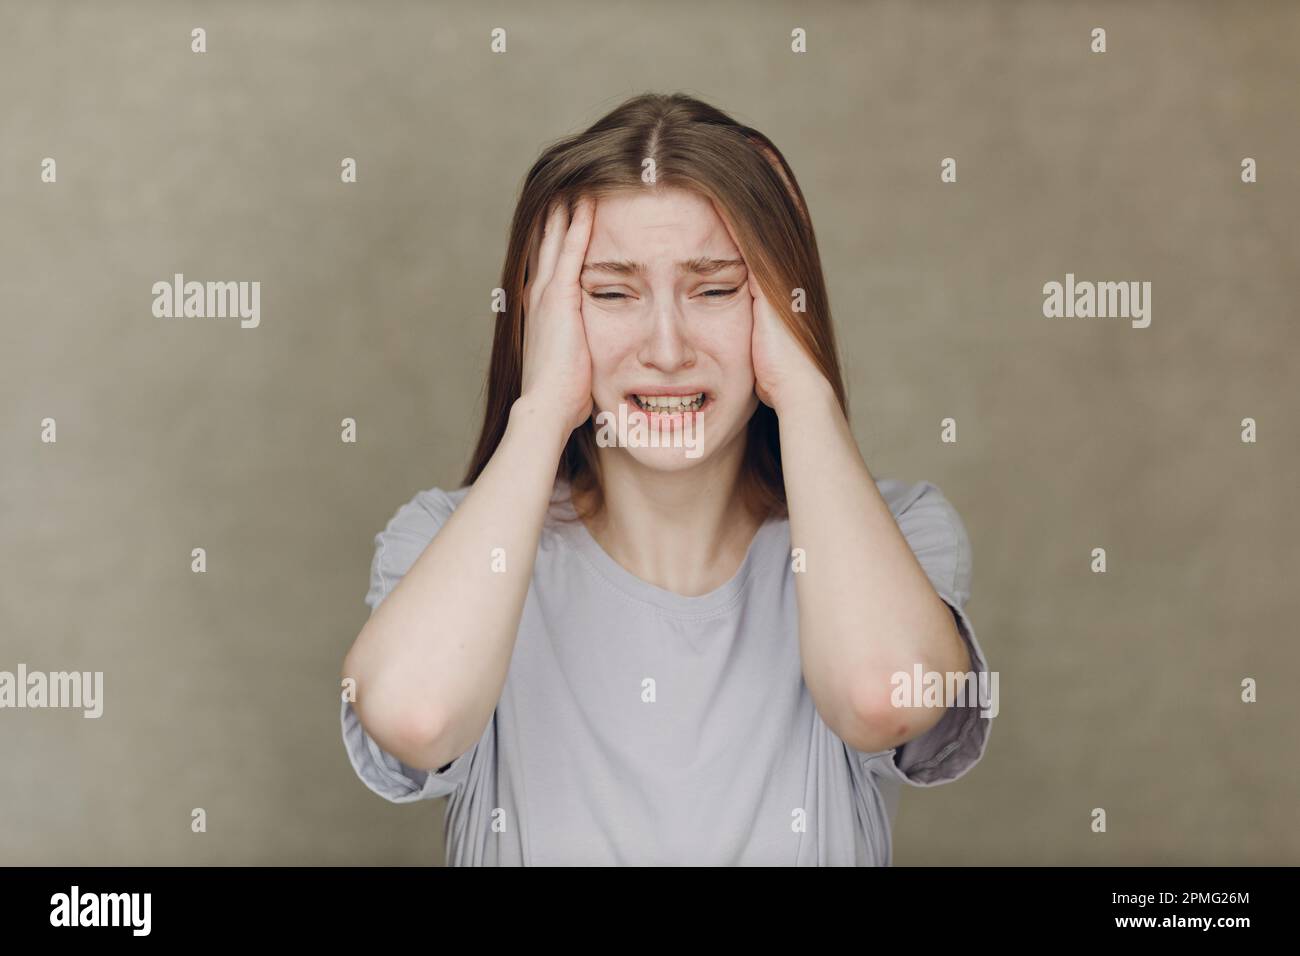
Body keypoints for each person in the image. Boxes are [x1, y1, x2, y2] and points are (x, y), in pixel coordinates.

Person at [340, 92, 992, 865]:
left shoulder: (898, 532)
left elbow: (880, 696)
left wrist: (807, 391)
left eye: (715, 289)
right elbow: (417, 714)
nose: (668, 346)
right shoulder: (446, 542)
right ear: (546, 316)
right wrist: (542, 407)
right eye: (611, 293)